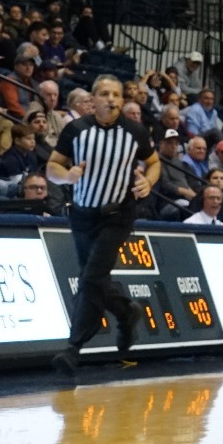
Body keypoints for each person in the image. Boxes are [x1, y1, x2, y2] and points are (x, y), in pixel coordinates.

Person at [46, 75, 157, 378]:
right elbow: (52, 167)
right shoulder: (76, 130)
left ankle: (73, 348)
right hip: (82, 214)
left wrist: (148, 180)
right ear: (92, 100)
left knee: (91, 278)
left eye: (117, 94)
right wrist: (66, 177)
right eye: (105, 94)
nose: (112, 99)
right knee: (92, 278)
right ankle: (127, 312)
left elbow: (154, 162)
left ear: (122, 101)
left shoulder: (134, 132)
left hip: (117, 215)